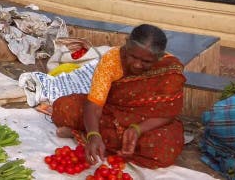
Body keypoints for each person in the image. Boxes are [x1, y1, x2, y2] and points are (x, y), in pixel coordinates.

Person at [51, 24, 185, 169]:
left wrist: (137, 129)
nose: (137, 65)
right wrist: (94, 134)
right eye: (133, 56)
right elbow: (94, 105)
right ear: (126, 44)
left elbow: (168, 113)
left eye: (146, 62)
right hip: (110, 113)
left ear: (159, 57)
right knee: (64, 107)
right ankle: (94, 137)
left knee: (165, 147)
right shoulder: (111, 60)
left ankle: (82, 134)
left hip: (147, 122)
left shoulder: (170, 69)